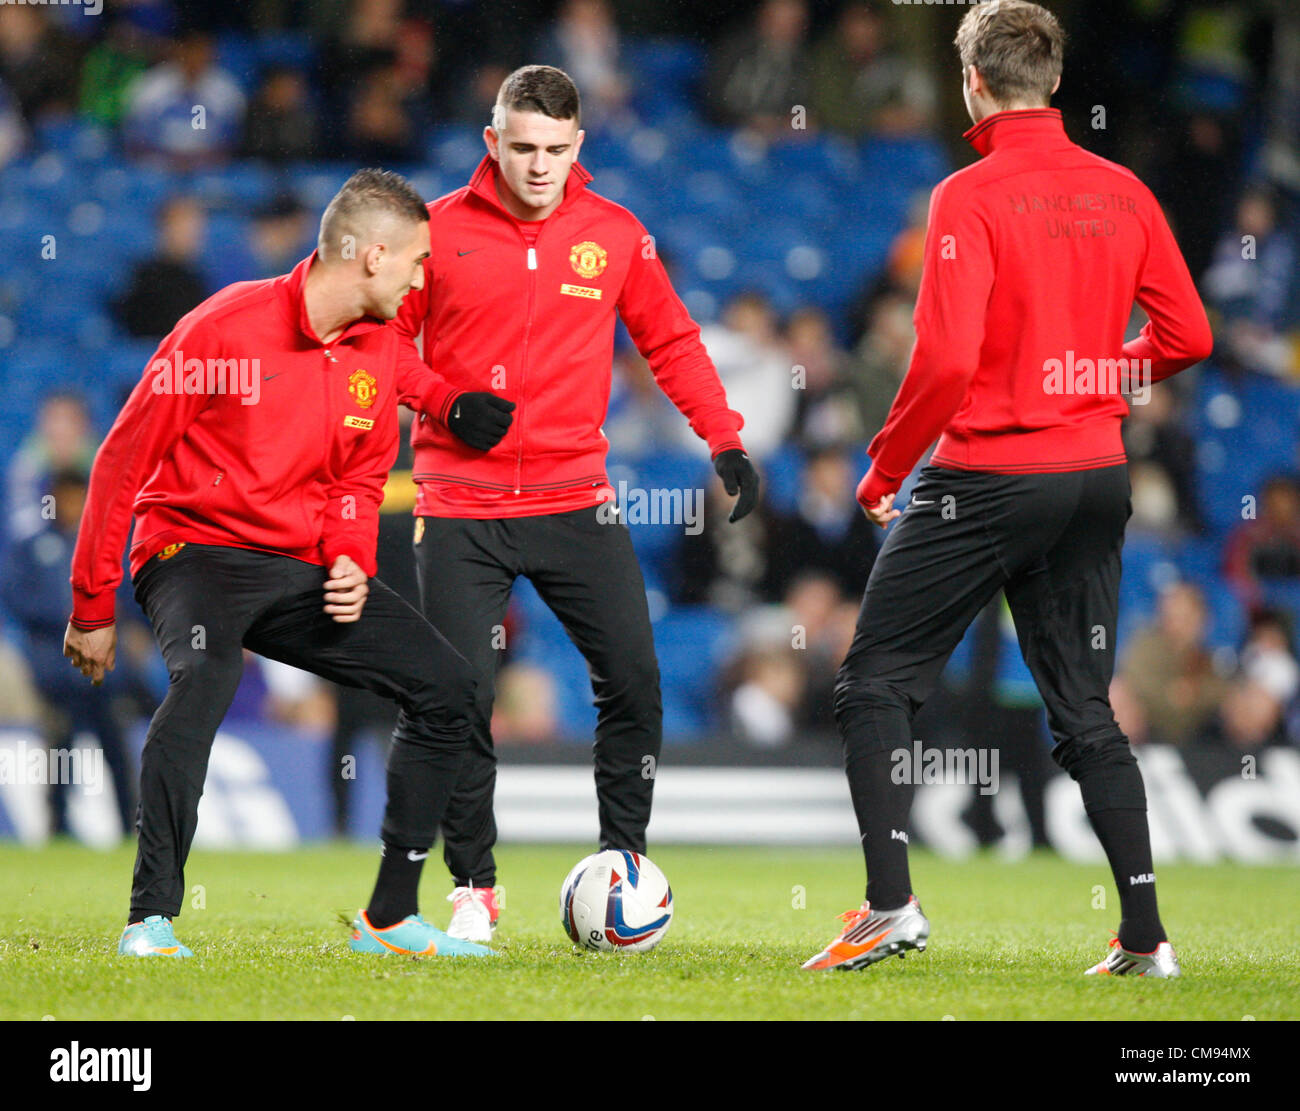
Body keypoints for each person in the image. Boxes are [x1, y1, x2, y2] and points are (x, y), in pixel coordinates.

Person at [804, 1, 1212, 977]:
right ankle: (1145, 937)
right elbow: (1188, 335)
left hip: (985, 474)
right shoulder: (1122, 190)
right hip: (1095, 477)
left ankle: (888, 907)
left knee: (875, 683)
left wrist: (883, 471)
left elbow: (942, 361)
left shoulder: (966, 196)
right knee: (1083, 710)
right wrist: (1101, 376)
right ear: (1056, 81)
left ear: (972, 83)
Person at [63, 169, 491, 961]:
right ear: (371, 255)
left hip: (299, 564)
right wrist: (93, 603)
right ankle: (148, 918)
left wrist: (353, 559)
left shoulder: (379, 353)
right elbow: (122, 460)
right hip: (193, 550)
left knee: (452, 685)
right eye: (417, 260)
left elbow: (362, 480)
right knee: (207, 677)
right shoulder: (222, 329)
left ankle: (391, 916)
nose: (424, 278)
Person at [391, 65, 759, 942]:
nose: (539, 165)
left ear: (579, 145)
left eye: (556, 149)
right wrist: (444, 402)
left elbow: (670, 342)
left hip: (575, 501)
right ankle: (473, 888)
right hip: (460, 501)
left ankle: (623, 863)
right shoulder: (434, 232)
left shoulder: (616, 235)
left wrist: (725, 437)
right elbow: (381, 344)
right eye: (522, 147)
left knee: (634, 677)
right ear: (492, 142)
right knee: (459, 695)